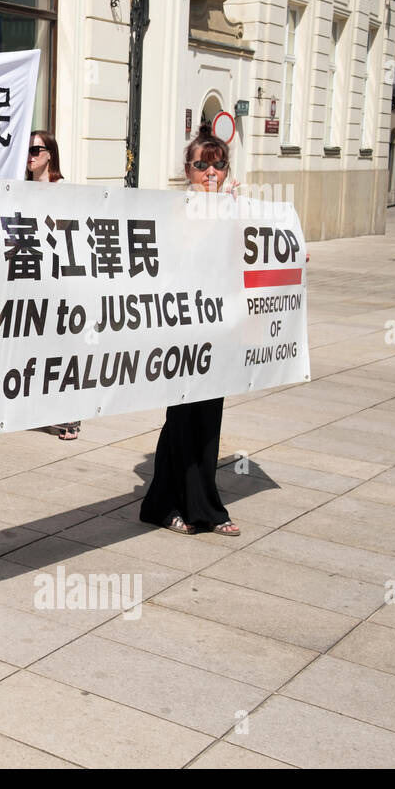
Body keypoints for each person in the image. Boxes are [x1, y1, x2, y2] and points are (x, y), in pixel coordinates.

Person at [139, 126, 240, 538]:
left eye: (217, 164)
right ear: (187, 169)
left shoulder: (235, 208)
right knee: (180, 416)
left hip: (217, 326)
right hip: (180, 326)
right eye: (201, 165)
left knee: (207, 417)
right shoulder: (176, 208)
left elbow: (250, 255)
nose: (209, 172)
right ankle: (168, 505)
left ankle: (198, 506)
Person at [24, 129, 79, 440]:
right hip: (31, 278)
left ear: (50, 155)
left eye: (36, 150)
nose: (30, 156)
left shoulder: (63, 189)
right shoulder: (19, 189)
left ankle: (69, 415)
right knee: (37, 347)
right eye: (27, 150)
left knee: (62, 346)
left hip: (60, 279)